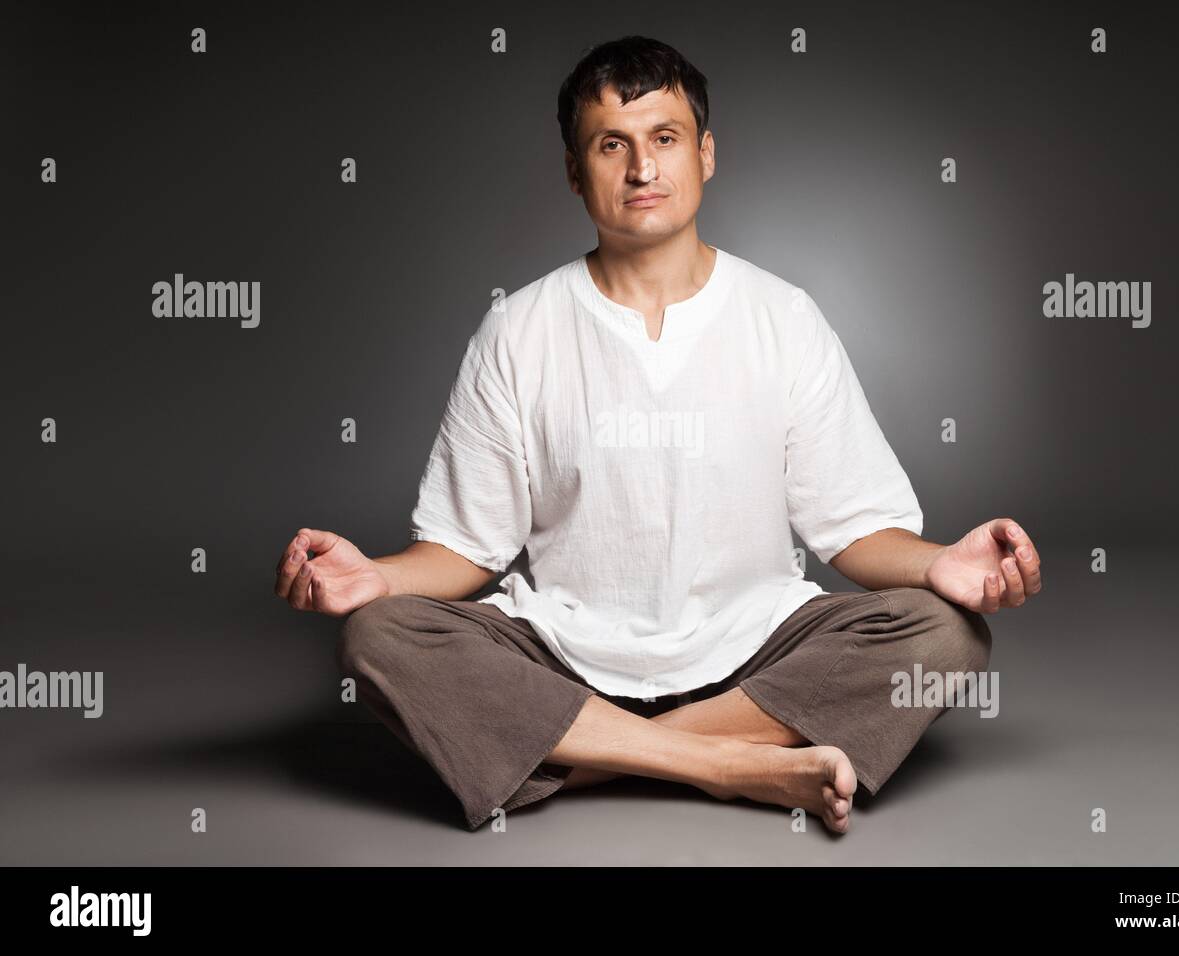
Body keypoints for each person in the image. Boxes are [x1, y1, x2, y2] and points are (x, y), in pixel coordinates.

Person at [273, 36, 1041, 835]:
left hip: (756, 652)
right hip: (562, 655)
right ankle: (728, 764)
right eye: (613, 145)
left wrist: (941, 563)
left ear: (705, 154)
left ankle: (584, 760)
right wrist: (378, 579)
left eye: (665, 139)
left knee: (943, 633)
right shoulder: (519, 328)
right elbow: (469, 548)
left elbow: (851, 527)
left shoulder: (782, 317)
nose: (643, 169)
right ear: (577, 173)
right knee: (380, 637)